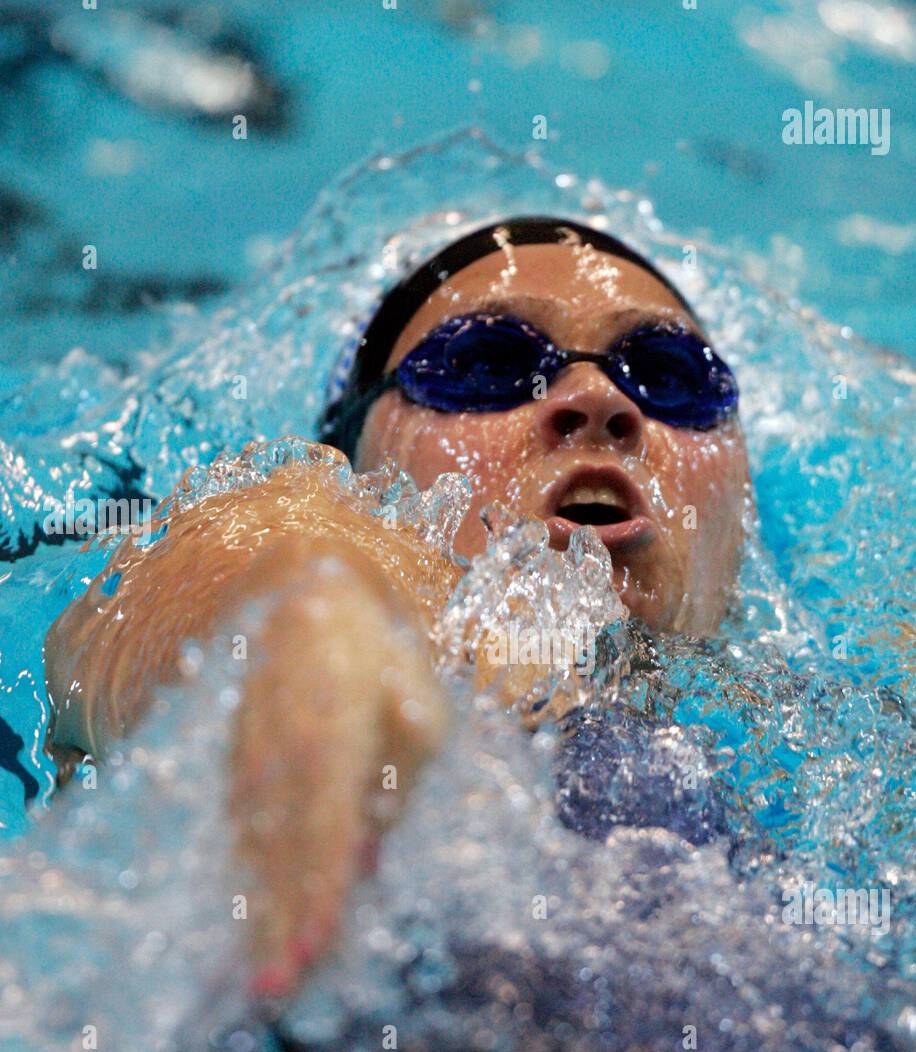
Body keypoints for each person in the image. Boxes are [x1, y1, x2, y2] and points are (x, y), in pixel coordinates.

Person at [44, 217, 752, 996]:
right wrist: (307, 627)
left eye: (671, 376)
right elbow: (208, 579)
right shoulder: (330, 561)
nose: (596, 398)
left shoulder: (866, 719)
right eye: (485, 364)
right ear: (356, 465)